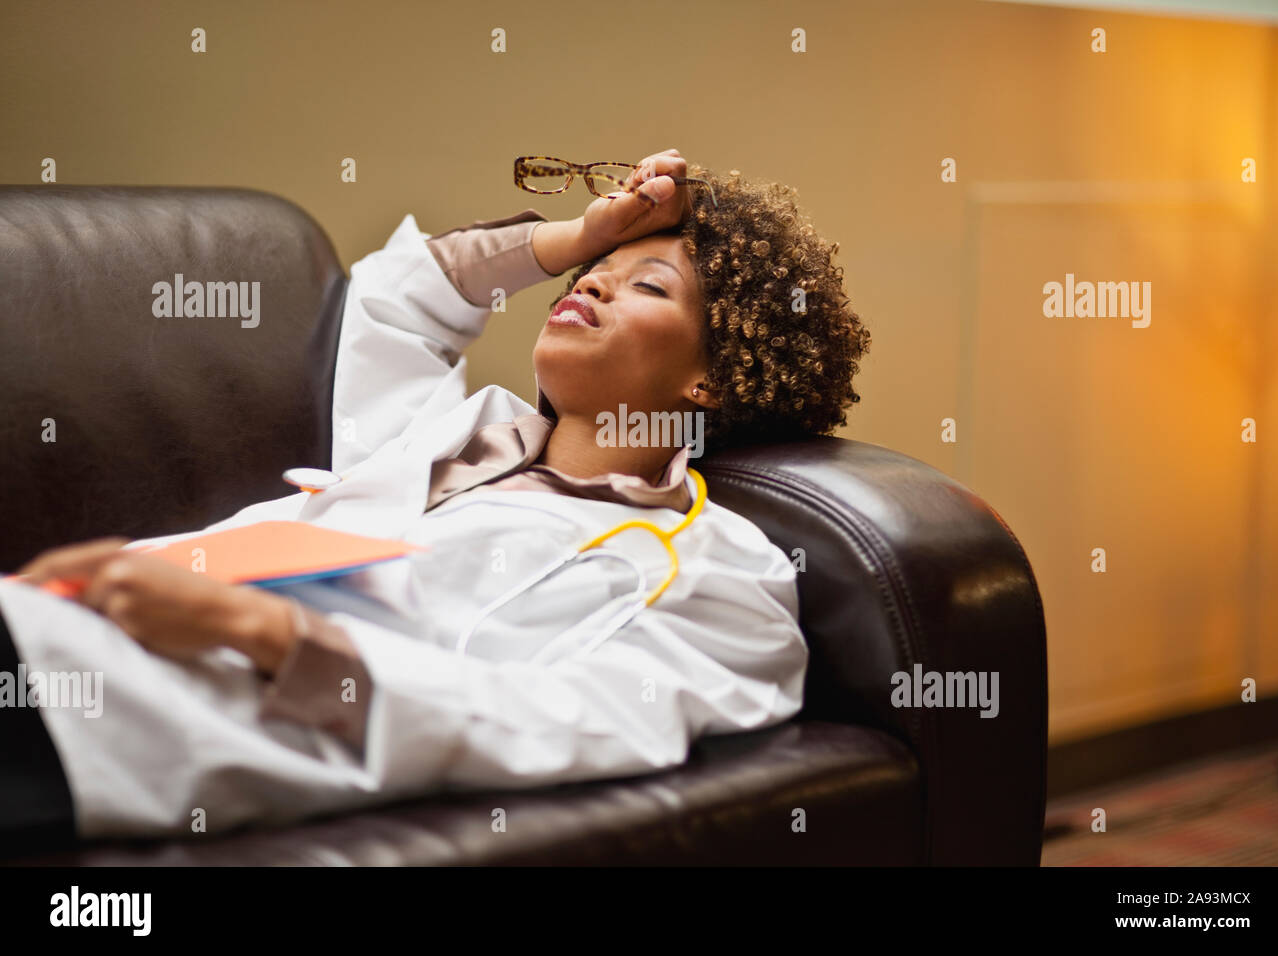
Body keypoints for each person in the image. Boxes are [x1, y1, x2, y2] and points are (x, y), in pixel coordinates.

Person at [0, 148, 871, 846]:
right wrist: (574, 235)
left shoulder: (721, 573)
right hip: (48, 622)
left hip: (118, 725)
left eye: (647, 284)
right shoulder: (450, 437)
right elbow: (397, 305)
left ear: (712, 379)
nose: (593, 282)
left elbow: (556, 721)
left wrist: (262, 631)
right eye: (594, 270)